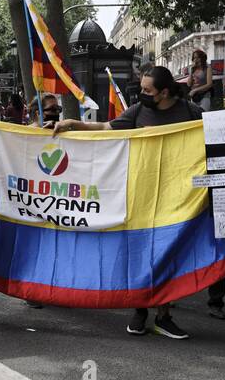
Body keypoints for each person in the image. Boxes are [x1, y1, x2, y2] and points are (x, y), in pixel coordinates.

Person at [54, 64, 202, 340]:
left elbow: (217, 136)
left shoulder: (191, 113)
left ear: (165, 92)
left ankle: (164, 315)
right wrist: (73, 124)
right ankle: (139, 310)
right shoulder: (137, 111)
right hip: (141, 195)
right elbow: (105, 127)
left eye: (148, 90)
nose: (142, 93)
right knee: (142, 253)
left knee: (169, 254)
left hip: (180, 197)